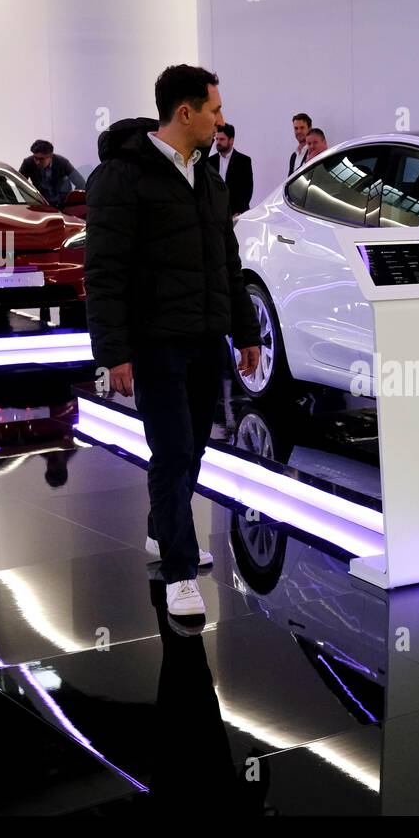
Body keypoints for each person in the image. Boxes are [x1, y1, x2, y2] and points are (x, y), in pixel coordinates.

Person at [83, 65, 261, 618]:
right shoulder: (122, 176)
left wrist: (246, 329)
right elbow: (104, 270)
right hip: (155, 342)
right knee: (173, 451)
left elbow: (227, 263)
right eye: (214, 110)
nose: (221, 120)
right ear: (185, 113)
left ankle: (163, 529)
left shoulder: (209, 177)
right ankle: (179, 571)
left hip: (206, 338)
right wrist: (113, 352)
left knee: (198, 447)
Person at [207, 123, 254, 221]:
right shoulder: (210, 161)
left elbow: (247, 189)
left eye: (222, 139)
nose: (218, 142)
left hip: (236, 216)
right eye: (217, 139)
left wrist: (238, 213)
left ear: (231, 140)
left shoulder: (243, 161)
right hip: (214, 215)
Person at [19, 139, 86, 207]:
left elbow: (81, 183)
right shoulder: (28, 163)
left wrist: (71, 202)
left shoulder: (62, 163)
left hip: (63, 205)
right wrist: (29, 200)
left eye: (41, 159)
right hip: (41, 205)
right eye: (35, 158)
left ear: (51, 157)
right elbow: (18, 184)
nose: (37, 162)